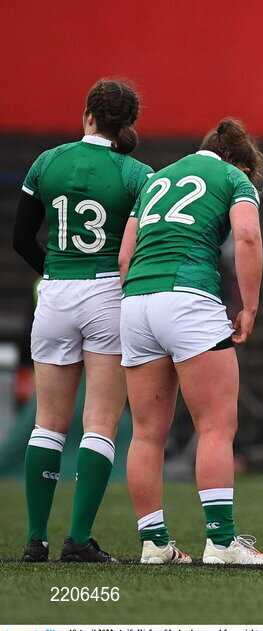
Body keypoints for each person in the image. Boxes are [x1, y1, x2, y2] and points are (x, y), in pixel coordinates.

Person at [119, 118, 263, 565]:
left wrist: (141, 300)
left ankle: (154, 544)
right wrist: (249, 305)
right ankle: (222, 542)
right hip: (188, 299)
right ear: (240, 162)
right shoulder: (233, 178)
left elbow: (126, 254)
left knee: (146, 433)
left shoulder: (155, 178)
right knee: (216, 426)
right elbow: (246, 235)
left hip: (136, 301)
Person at [14, 79, 152, 563]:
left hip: (54, 291)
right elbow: (141, 248)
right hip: (105, 294)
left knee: (47, 425)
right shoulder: (137, 174)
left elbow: (20, 238)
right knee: (99, 426)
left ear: (88, 112)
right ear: (127, 125)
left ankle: (35, 540)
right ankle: (77, 541)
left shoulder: (46, 162)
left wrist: (56, 276)